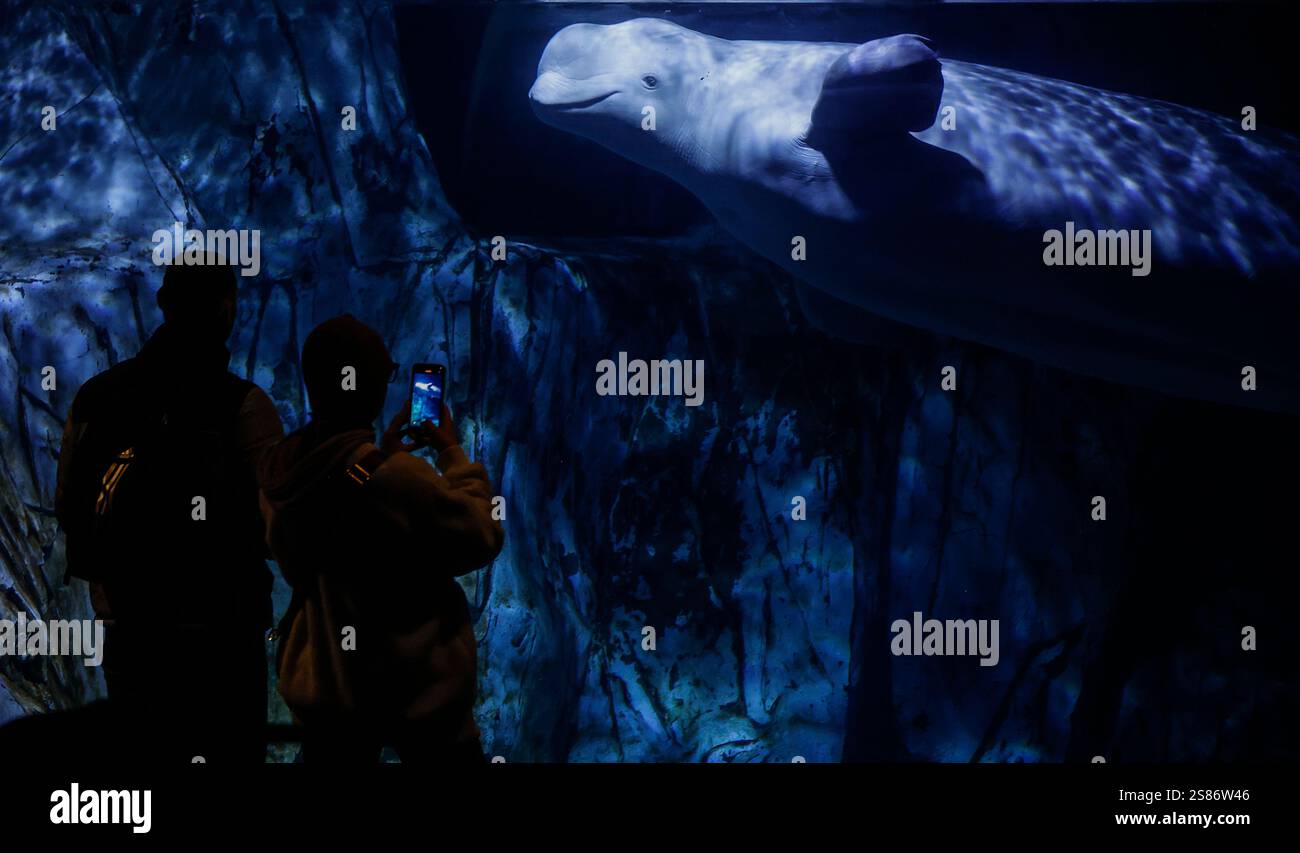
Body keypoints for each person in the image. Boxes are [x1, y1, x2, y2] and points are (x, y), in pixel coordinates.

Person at [54, 259, 284, 764]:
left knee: (142, 777)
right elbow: (278, 528)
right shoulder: (244, 405)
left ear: (162, 305)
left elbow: (69, 507)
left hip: (131, 634)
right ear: (229, 309)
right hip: (224, 638)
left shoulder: (97, 398)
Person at [259, 314, 503, 764]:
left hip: (331, 697)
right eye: (385, 372)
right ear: (368, 384)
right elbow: (481, 534)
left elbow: (343, 524)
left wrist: (380, 460)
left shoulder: (282, 473)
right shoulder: (395, 481)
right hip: (417, 703)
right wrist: (450, 453)